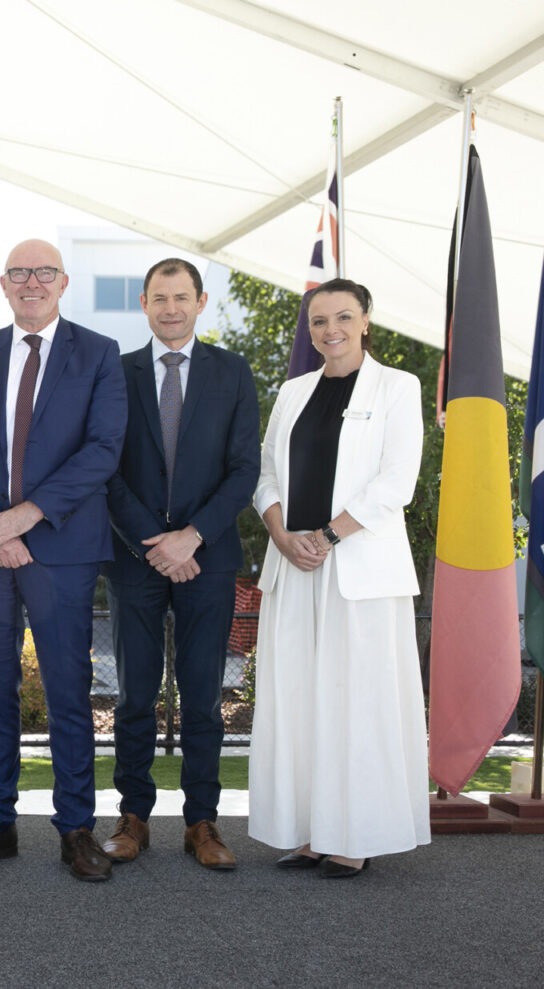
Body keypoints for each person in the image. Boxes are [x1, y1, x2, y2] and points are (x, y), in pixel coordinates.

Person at [0, 239, 126, 881]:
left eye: (43, 272)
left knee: (69, 692)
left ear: (63, 282)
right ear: (3, 283)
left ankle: (77, 829)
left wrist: (28, 515)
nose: (32, 282)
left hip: (63, 550)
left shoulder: (99, 355)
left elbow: (103, 449)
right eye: (20, 272)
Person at [248, 278, 428, 878]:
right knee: (299, 702)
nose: (331, 330)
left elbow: (395, 484)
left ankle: (355, 837)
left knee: (358, 704)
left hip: (358, 570)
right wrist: (281, 534)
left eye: (343, 317)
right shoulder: (293, 391)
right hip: (293, 565)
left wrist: (326, 536)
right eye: (319, 320)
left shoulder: (399, 387)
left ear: (367, 320)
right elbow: (265, 473)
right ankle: (307, 832)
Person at [102, 258, 260, 870]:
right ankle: (133, 817)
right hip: (134, 558)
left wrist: (190, 537)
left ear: (201, 303)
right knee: (134, 696)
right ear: (143, 303)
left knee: (201, 698)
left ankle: (203, 823)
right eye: (159, 297)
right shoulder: (115, 375)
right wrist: (154, 540)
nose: (171, 308)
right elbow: (105, 468)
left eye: (182, 297)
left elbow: (244, 468)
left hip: (209, 558)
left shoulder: (232, 372)